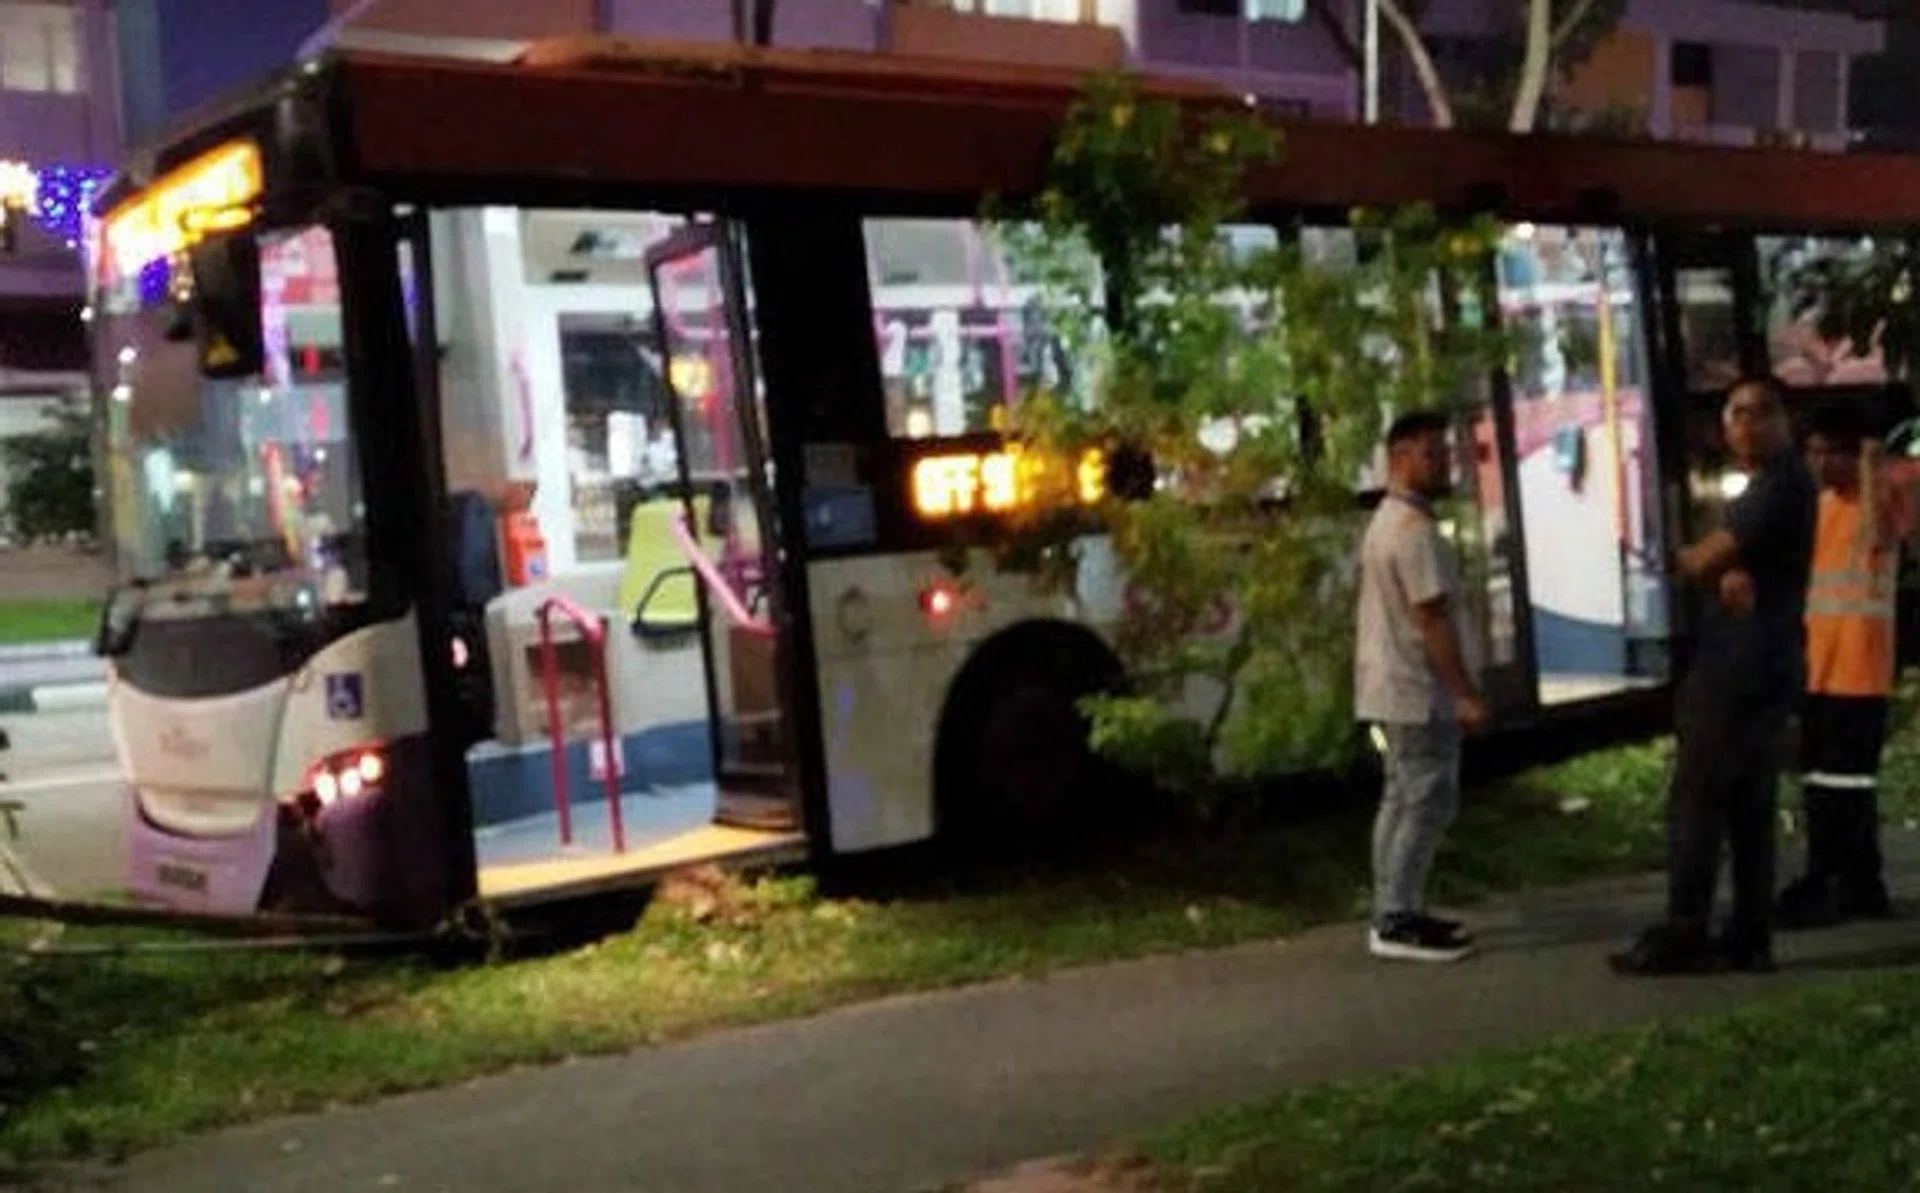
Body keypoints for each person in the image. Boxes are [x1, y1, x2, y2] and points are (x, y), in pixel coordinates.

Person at [1611, 377, 1816, 977]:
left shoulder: (1779, 484)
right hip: (1763, 663)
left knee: (1698, 797)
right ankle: (1749, 934)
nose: (1746, 426)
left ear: (1784, 421)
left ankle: (1687, 927)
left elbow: (1704, 558)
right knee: (1748, 804)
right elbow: (1721, 564)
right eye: (1737, 414)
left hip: (1740, 668)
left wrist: (1682, 561)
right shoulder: (1770, 486)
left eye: (1760, 413)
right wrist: (1716, 570)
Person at [1354, 409, 1488, 963]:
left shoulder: (1387, 521)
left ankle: (1393, 906)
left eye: (1445, 451)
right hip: (1416, 689)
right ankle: (1397, 917)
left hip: (1390, 686)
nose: (1443, 462)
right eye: (1432, 453)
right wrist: (1463, 692)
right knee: (1426, 801)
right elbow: (1431, 619)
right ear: (1399, 458)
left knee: (1402, 797)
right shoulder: (1414, 533)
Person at [1775, 406, 1900, 927]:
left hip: (1860, 672)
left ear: (1858, 456)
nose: (1822, 463)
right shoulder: (1819, 509)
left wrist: (1874, 466)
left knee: (1848, 784)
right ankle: (1840, 878)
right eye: (1815, 452)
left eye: (1833, 453)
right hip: (1819, 671)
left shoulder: (1881, 502)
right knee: (1823, 782)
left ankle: (1850, 881)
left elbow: (1880, 536)